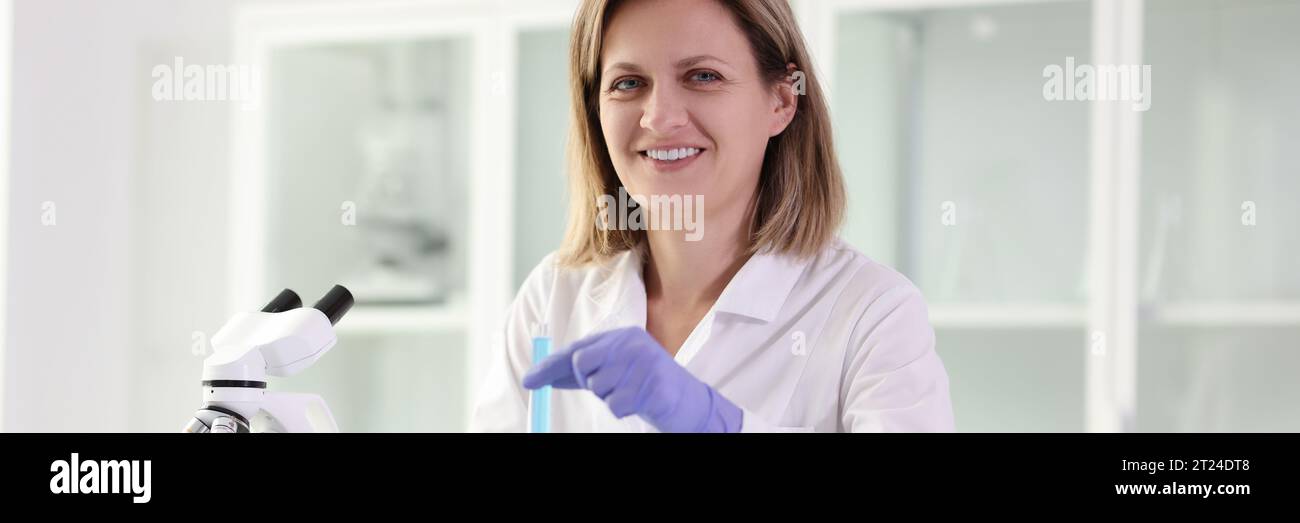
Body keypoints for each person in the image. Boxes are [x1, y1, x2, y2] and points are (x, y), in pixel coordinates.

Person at [470, 0, 954, 432]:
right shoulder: (553, 299)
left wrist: (714, 422)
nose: (659, 118)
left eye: (703, 76)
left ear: (782, 100)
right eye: (628, 83)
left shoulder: (873, 315)